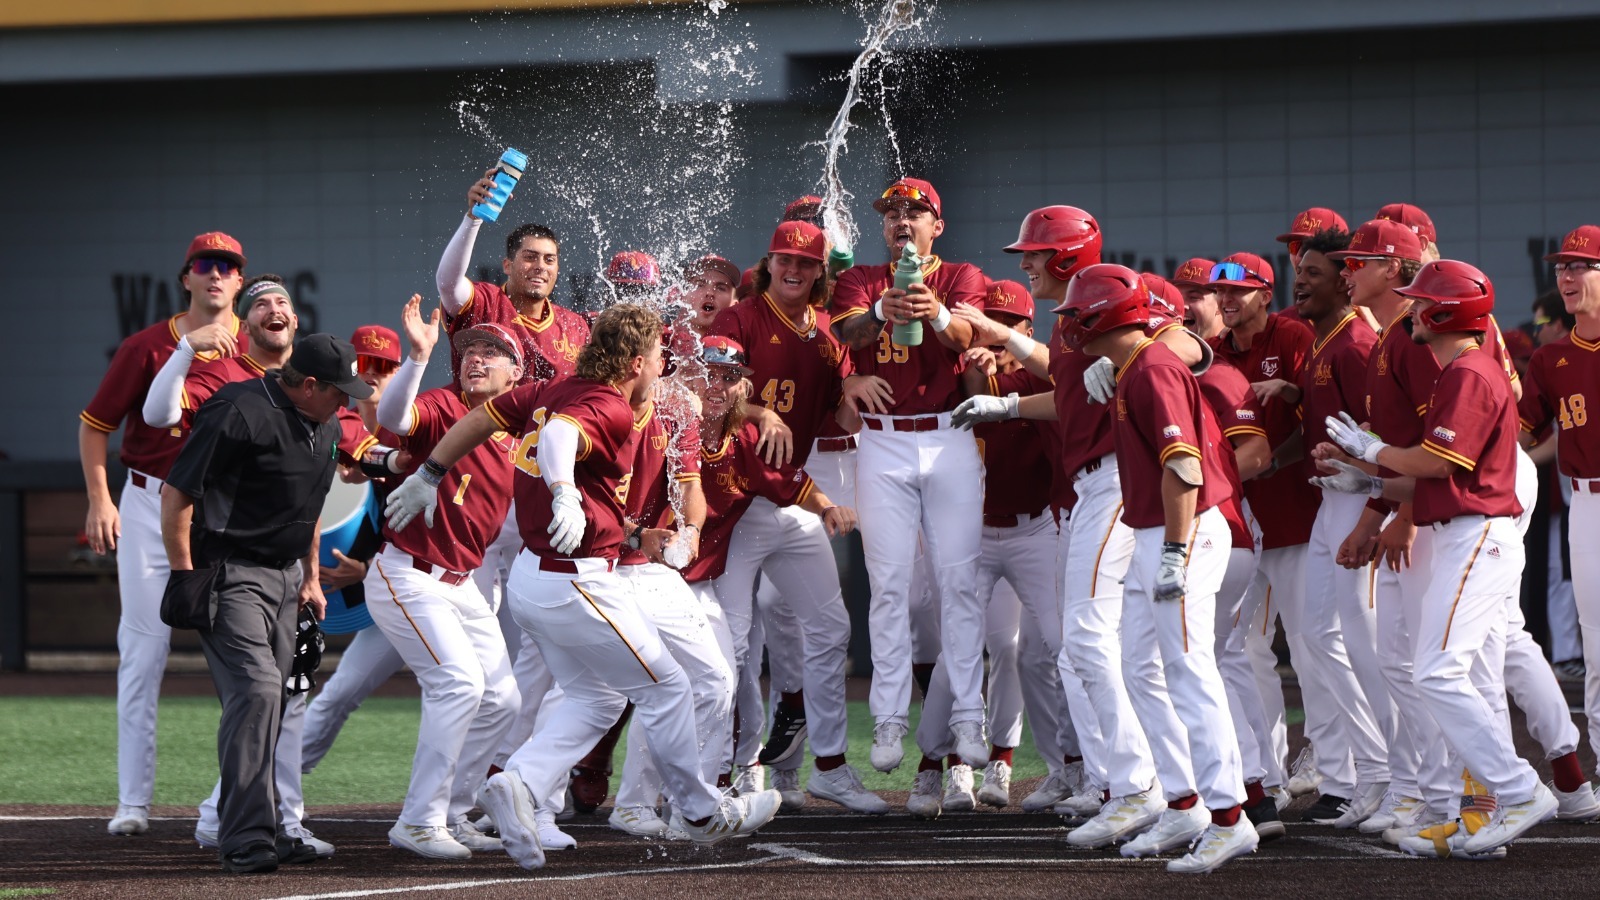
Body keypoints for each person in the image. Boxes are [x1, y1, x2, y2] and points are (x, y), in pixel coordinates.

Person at [384, 304, 782, 871]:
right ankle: (698, 812)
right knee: (667, 687)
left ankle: (520, 781)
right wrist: (565, 489)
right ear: (637, 360)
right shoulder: (609, 403)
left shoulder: (555, 386)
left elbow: (482, 419)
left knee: (596, 696)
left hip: (533, 580)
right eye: (656, 357)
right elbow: (565, 436)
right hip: (578, 581)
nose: (661, 367)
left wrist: (430, 472)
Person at [1313, 260, 1559, 857]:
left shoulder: (1469, 371)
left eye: (1423, 302)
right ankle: (1478, 808)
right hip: (1461, 528)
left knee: (1440, 671)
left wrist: (1376, 449)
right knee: (1452, 672)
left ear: (1445, 313)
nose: (1414, 310)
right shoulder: (1462, 368)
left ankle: (1517, 789)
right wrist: (1367, 481)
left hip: (1476, 534)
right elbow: (1435, 482)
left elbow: (1441, 465)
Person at [1057, 263, 1257, 873]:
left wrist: (1174, 548)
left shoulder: (1150, 369)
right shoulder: (1133, 367)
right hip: (1157, 531)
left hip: (1183, 531)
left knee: (1189, 672)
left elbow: (1185, 469)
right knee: (1140, 667)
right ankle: (1184, 801)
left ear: (1101, 318)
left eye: (1078, 315)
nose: (1070, 327)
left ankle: (1231, 818)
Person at [160, 333, 370, 873]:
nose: (345, 402)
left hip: (284, 577)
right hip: (230, 572)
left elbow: (311, 503)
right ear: (306, 385)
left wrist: (309, 575)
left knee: (275, 699)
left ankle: (271, 825)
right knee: (255, 691)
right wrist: (184, 575)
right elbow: (178, 493)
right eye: (338, 391)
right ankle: (244, 836)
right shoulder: (237, 409)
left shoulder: (322, 422)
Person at [708, 220, 884, 813]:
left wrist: (855, 389)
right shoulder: (741, 317)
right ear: (769, 261)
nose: (794, 270)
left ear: (819, 273)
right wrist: (760, 411)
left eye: (806, 264)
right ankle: (716, 776)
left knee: (831, 629)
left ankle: (829, 766)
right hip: (734, 506)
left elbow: (840, 412)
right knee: (730, 647)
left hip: (792, 502)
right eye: (785, 258)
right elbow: (713, 389)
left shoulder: (828, 335)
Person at [80, 231, 250, 837]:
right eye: (205, 264)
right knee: (143, 654)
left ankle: (237, 802)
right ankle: (133, 803)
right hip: (150, 503)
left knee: (245, 667)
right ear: (186, 277)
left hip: (221, 516)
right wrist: (102, 499)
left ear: (239, 281)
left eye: (227, 267)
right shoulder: (148, 345)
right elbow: (96, 425)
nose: (215, 274)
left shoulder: (253, 350)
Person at [368, 301, 524, 859]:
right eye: (470, 351)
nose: (476, 359)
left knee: (504, 699)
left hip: (462, 583)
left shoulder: (522, 434)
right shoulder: (443, 405)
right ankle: (418, 820)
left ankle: (454, 812)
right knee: (459, 684)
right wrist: (416, 358)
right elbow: (393, 418)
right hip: (407, 572)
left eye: (493, 352)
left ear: (517, 373)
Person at [1205, 252, 1328, 802]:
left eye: (1240, 291)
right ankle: (1266, 775)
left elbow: (1317, 424)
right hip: (1244, 523)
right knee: (1245, 651)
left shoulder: (1293, 335)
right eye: (1220, 293)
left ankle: (1337, 770)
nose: (1227, 300)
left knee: (1309, 649)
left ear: (1264, 293)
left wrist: (1269, 459)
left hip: (1299, 514)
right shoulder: (1216, 353)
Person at [1520, 224, 1600, 810]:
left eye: (1580, 267)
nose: (1566, 277)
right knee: (1596, 649)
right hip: (1587, 503)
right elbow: (1523, 434)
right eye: (1561, 268)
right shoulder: (1549, 358)